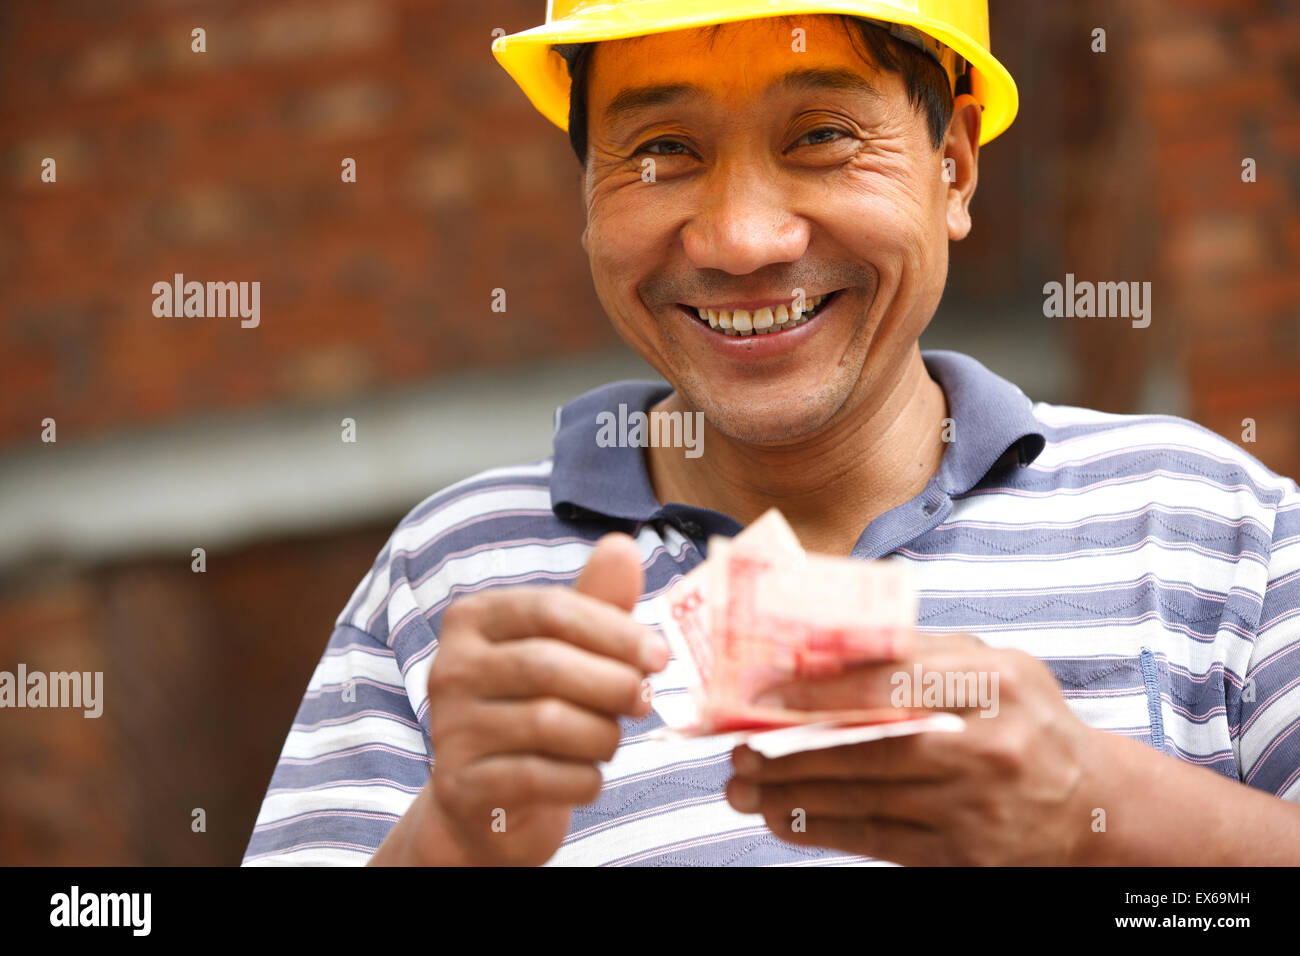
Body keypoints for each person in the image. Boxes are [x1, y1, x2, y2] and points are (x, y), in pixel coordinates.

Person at [242, 1, 1300, 866]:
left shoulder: (1208, 525)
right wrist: (451, 845)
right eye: (662, 150)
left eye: (823, 137)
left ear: (956, 170)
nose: (744, 238)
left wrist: (1101, 807)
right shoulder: (450, 577)